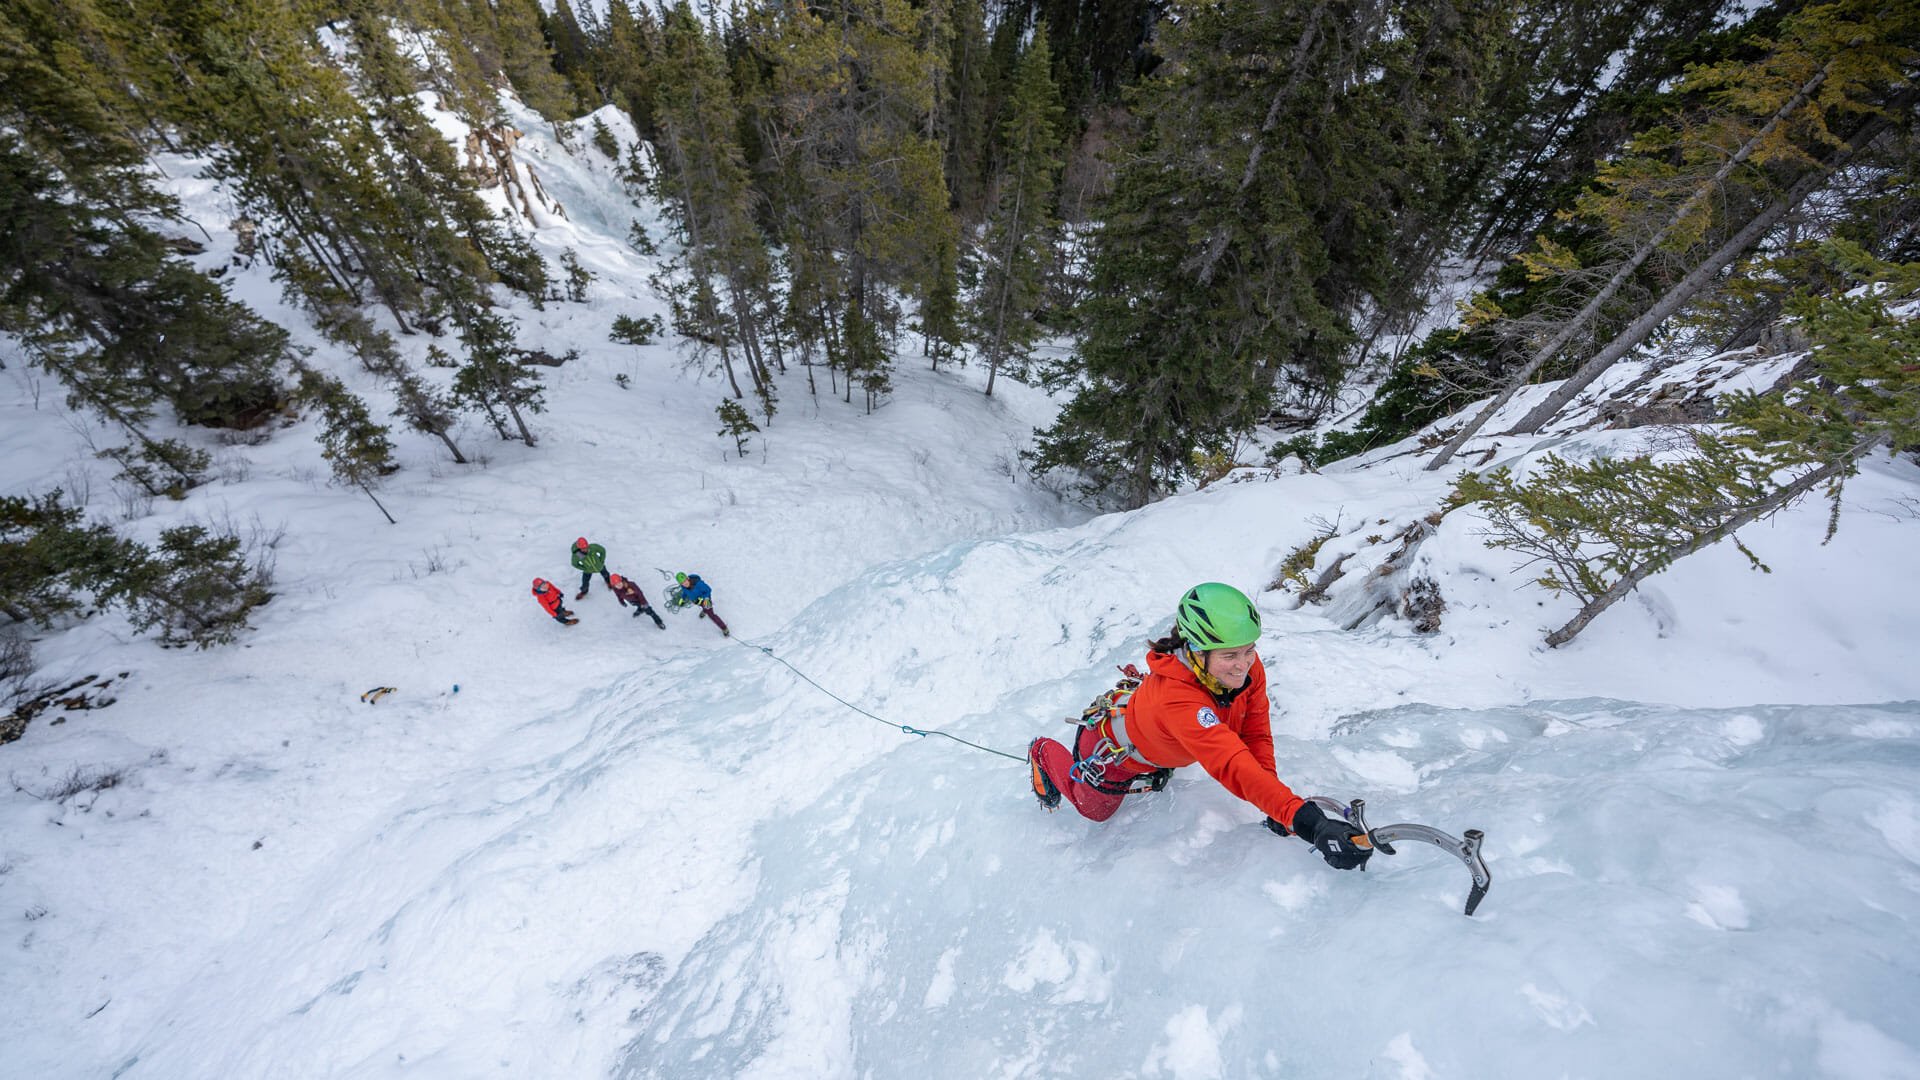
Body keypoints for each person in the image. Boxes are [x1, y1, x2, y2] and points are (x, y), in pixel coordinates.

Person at [1026, 582, 1371, 871]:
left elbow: (1254, 734)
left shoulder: (1245, 669)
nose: (1243, 665)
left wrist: (1278, 808)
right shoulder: (1177, 699)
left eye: (1249, 650)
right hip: (1111, 753)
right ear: (1195, 650)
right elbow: (1232, 764)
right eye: (1229, 656)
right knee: (1095, 811)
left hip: (1158, 743)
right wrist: (1308, 822)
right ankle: (1041, 752)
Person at [667, 572, 730, 637]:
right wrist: (682, 599)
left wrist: (701, 599)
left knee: (711, 615)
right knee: (703, 607)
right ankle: (704, 611)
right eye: (682, 583)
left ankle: (724, 628)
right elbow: (685, 591)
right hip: (697, 601)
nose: (684, 584)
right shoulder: (683, 586)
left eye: (685, 581)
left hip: (706, 600)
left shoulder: (699, 584)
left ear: (688, 578)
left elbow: (708, 590)